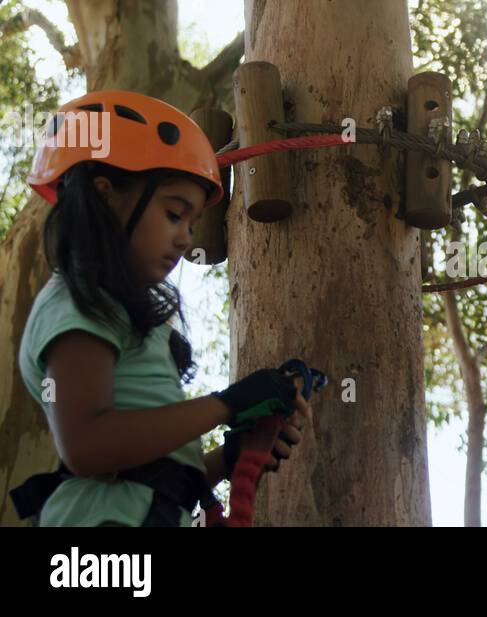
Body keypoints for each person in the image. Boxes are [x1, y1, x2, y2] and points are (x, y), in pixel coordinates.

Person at [10, 90, 313, 526]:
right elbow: (86, 446)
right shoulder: (77, 300)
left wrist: (233, 454)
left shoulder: (119, 314)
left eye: (191, 223)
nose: (186, 237)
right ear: (106, 196)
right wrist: (228, 403)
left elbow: (157, 477)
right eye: (174, 214)